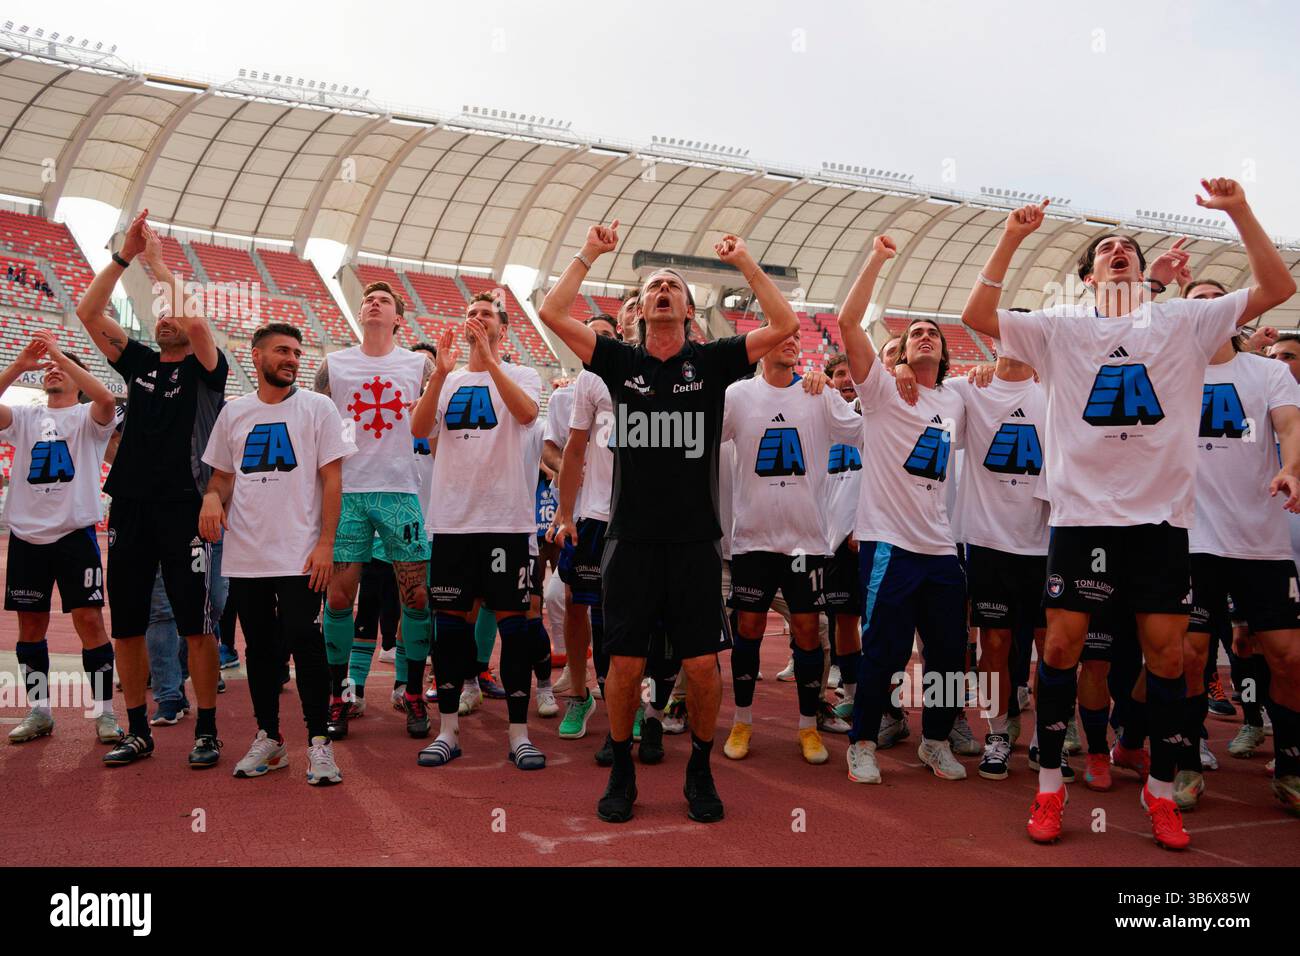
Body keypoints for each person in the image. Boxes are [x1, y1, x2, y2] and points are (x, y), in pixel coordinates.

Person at [960, 179, 1297, 849]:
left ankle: (1161, 793)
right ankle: (1051, 789)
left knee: (1168, 659)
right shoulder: (1060, 327)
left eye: (1127, 248)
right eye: (1105, 248)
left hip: (1161, 521)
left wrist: (1237, 212)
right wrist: (1011, 236)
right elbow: (978, 315)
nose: (1118, 250)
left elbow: (1276, 287)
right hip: (1082, 516)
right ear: (1087, 275)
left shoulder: (1180, 322)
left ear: (1142, 273)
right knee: (1059, 647)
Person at [537, 219, 799, 824]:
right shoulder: (615, 361)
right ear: (638, 309)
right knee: (624, 664)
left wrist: (747, 266)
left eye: (673, 286)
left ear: (687, 311)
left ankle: (700, 767)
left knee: (703, 664)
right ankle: (624, 765)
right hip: (628, 540)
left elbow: (785, 326)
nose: (662, 289)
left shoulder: (711, 364)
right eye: (653, 284)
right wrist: (588, 253)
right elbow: (552, 312)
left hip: (694, 543)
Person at [75, 211, 229, 768]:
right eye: (160, 315)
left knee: (196, 623)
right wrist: (123, 258)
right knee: (130, 622)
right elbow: (88, 313)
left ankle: (206, 729)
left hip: (185, 509)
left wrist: (159, 265)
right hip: (131, 508)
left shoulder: (209, 370)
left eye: (174, 315)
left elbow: (202, 329)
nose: (166, 319)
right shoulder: (138, 362)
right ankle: (138, 729)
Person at [836, 236, 972, 786]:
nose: (923, 337)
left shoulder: (959, 398)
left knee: (948, 654)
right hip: (889, 543)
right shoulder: (884, 391)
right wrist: (876, 258)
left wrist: (985, 375)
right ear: (902, 350)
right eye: (913, 332)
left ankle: (935, 740)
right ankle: (862, 740)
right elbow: (848, 325)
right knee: (885, 652)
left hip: (940, 547)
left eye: (931, 334)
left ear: (944, 353)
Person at [199, 322, 354, 785]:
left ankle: (319, 743)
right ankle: (270, 739)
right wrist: (210, 498)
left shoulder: (318, 408)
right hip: (248, 554)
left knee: (305, 644)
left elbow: (333, 479)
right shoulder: (234, 413)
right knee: (261, 651)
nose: (292, 358)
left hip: (301, 553)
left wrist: (326, 543)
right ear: (257, 356)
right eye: (282, 351)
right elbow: (223, 479)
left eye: (297, 353)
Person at [1177, 280, 1300, 814]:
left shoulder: (1268, 372)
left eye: (1216, 299)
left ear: (1237, 311)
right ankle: (1184, 758)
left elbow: (1289, 424)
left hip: (1260, 539)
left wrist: (1292, 465)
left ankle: (1291, 765)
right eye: (1195, 301)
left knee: (1288, 656)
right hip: (1189, 537)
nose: (1207, 308)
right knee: (1188, 655)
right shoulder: (1169, 368)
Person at [409, 292, 545, 770]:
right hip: (452, 521)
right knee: (449, 631)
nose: (476, 317)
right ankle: (448, 730)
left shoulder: (522, 373)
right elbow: (419, 430)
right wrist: (441, 374)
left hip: (505, 521)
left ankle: (518, 734)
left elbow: (527, 414)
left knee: (514, 625)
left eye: (486, 314)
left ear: (502, 331)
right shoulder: (446, 379)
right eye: (471, 312)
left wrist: (490, 363)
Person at [719, 323, 861, 765]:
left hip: (805, 540)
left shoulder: (820, 394)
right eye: (781, 334)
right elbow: (703, 438)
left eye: (796, 336)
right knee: (748, 629)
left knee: (805, 631)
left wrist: (840, 392)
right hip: (753, 538)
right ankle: (742, 720)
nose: (791, 341)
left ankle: (807, 726)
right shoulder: (738, 396)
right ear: (760, 346)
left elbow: (865, 432)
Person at [314, 281, 434, 740]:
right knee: (340, 598)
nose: (373, 303)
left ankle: (414, 693)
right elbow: (317, 424)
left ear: (398, 318)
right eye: (368, 299)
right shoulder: (334, 365)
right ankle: (339, 694)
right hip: (349, 491)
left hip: (400, 490)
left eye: (383, 300)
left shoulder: (418, 364)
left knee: (416, 597)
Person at [1, 332, 120, 746]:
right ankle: (40, 710)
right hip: (27, 536)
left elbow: (106, 400)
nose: (53, 370)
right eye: (49, 368)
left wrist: (61, 357)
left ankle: (104, 712)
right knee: (30, 625)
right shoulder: (25, 418)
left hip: (75, 535)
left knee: (88, 621)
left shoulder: (88, 418)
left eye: (61, 368)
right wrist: (20, 365)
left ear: (76, 376)